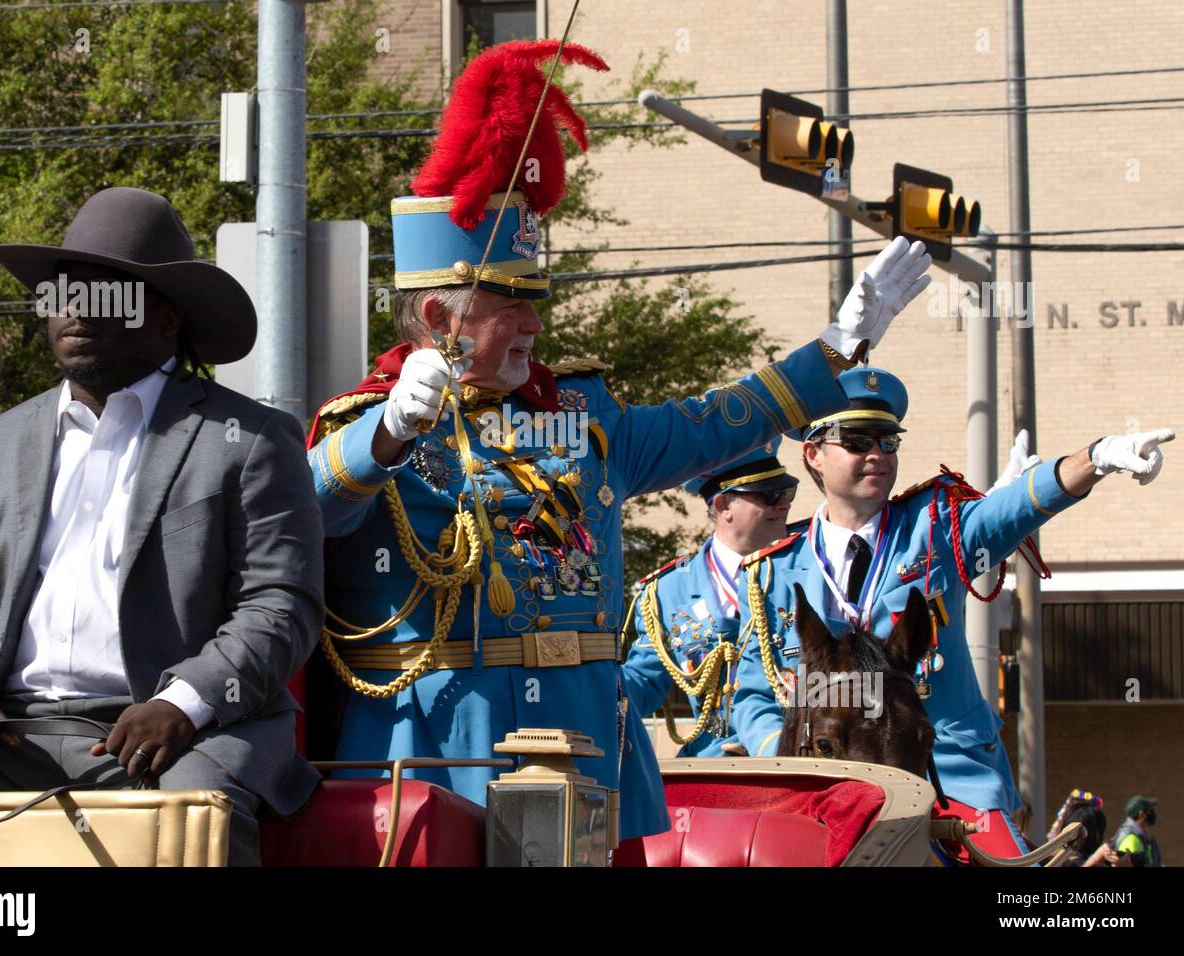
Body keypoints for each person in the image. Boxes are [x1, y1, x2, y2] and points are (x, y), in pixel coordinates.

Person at [306, 40, 932, 844]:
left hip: (586, 752)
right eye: (511, 304)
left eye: (537, 299)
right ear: (439, 318)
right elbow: (301, 515)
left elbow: (714, 423)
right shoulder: (359, 427)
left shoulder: (586, 415)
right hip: (433, 753)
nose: (535, 322)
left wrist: (837, 348)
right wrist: (388, 432)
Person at [0, 187, 324, 866]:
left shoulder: (251, 439)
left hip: (181, 735)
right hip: (7, 734)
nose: (74, 309)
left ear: (167, 319)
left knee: (190, 823)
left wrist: (184, 701)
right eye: (61, 291)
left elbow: (280, 604)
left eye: (104, 292)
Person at [730, 365, 1174, 859]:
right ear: (812, 454)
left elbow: (1017, 508)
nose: (877, 454)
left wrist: (1097, 458)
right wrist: (781, 755)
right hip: (823, 784)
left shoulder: (937, 525)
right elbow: (752, 689)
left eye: (888, 442)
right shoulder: (774, 570)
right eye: (857, 441)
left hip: (948, 774)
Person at [622, 438, 800, 758]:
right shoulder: (667, 591)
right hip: (711, 762)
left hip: (790, 757)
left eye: (787, 493)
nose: (784, 505)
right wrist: (588, 681)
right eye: (771, 495)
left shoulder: (807, 569)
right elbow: (644, 684)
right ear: (723, 506)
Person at [1114, 795, 1162, 866]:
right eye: (1150, 810)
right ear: (1142, 814)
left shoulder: (1140, 835)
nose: (1152, 813)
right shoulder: (1129, 839)